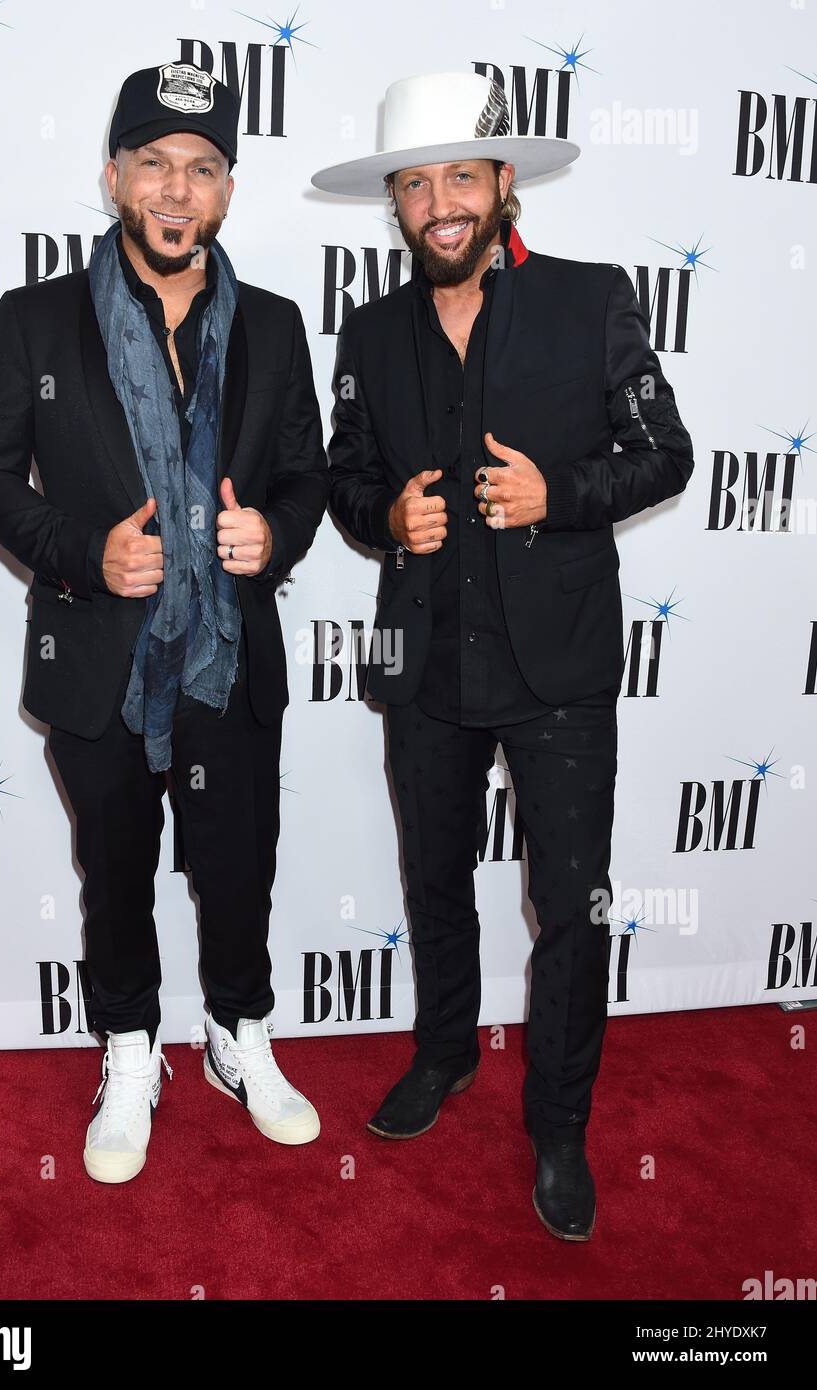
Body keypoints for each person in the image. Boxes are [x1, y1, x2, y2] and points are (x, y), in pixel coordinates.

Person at [314, 70, 694, 1240]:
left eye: (458, 177)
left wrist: (559, 493)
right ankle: (442, 1055)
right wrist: (387, 520)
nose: (437, 201)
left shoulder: (590, 303)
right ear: (396, 202)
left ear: (503, 184)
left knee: (568, 909)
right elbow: (343, 478)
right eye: (413, 182)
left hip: (561, 666)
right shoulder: (372, 332)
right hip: (422, 659)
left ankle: (560, 1125)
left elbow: (667, 454)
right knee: (433, 882)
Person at [0, 62, 329, 1183]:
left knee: (239, 863)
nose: (176, 190)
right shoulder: (35, 320)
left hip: (225, 657)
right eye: (154, 164)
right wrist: (82, 552)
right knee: (113, 869)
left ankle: (235, 1034)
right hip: (99, 659)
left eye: (201, 170)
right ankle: (129, 1048)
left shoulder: (273, 322)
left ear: (227, 190)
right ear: (114, 174)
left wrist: (276, 529)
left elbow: (308, 476)